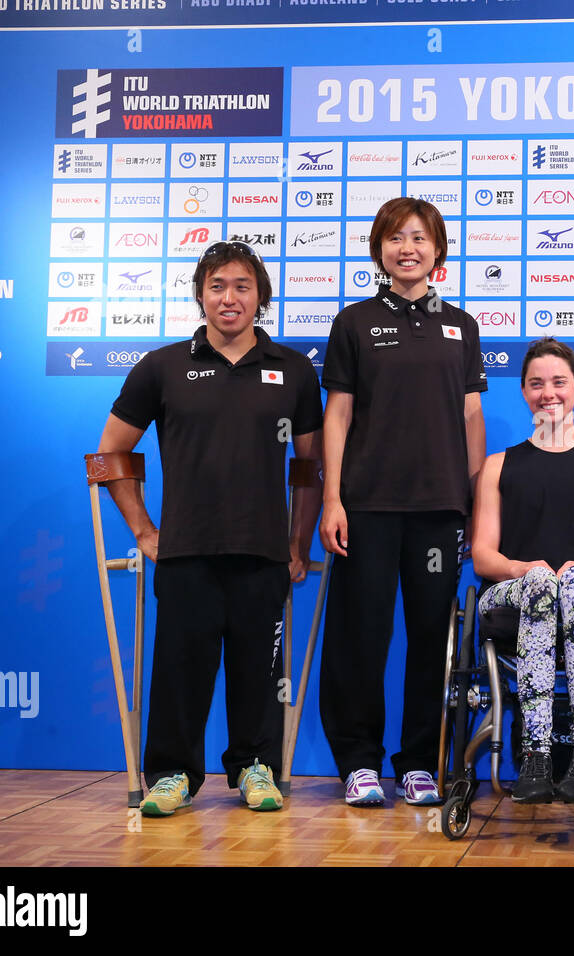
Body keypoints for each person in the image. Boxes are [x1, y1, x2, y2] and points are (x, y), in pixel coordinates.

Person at [96, 240, 323, 816]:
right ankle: (171, 775)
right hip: (186, 551)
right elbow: (110, 455)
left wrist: (298, 543)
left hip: (263, 552)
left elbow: (309, 468)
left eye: (242, 286)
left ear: (261, 297)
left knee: (260, 672)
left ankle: (255, 768)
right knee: (179, 671)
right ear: (200, 294)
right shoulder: (162, 366)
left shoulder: (293, 370)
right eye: (218, 285)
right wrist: (145, 531)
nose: (230, 297)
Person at [319, 197, 487, 807]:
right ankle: (359, 763)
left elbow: (471, 415)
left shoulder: (461, 326)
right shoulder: (355, 322)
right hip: (367, 505)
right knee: (361, 636)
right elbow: (337, 414)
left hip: (440, 509)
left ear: (437, 251)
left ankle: (418, 761)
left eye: (419, 237)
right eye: (394, 238)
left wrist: (475, 501)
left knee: (430, 636)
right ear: (379, 250)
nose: (407, 248)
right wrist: (332, 497)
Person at [470, 338, 574, 804]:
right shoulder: (497, 466)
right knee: (545, 581)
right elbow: (483, 556)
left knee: (568, 580)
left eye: (559, 382)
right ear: (524, 392)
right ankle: (536, 755)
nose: (549, 393)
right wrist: (523, 569)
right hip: (514, 591)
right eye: (536, 383)